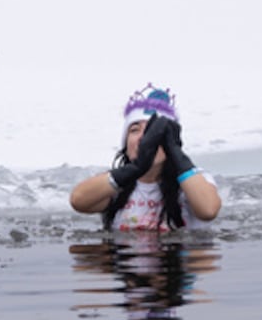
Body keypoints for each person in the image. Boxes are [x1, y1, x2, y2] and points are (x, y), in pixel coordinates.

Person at [68, 84, 222, 231]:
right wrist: (138, 167)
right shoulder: (115, 186)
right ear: (126, 144)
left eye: (153, 132)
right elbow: (79, 201)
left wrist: (175, 152)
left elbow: (208, 211)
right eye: (135, 130)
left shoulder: (194, 180)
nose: (145, 138)